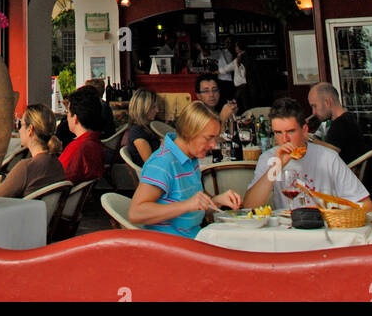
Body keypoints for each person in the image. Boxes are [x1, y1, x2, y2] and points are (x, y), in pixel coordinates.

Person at [128, 101, 242, 238]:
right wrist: (187, 205)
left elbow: (193, 209)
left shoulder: (190, 158)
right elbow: (136, 213)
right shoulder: (164, 162)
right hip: (170, 247)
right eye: (209, 138)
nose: (213, 145)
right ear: (189, 133)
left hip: (194, 238)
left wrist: (218, 201)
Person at [242, 97, 372, 214]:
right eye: (278, 133)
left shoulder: (328, 157)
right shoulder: (269, 158)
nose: (284, 139)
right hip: (288, 233)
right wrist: (276, 167)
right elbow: (249, 206)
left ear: (305, 130)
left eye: (291, 131)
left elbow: (367, 207)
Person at [0, 104, 66, 197]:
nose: (19, 130)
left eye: (21, 124)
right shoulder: (57, 163)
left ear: (30, 129)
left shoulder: (26, 168)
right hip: (43, 211)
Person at [306, 82, 367, 165]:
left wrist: (308, 139)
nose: (313, 112)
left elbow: (331, 153)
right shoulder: (349, 118)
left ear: (328, 102)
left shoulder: (340, 124)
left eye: (315, 106)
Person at [59, 87, 105, 184]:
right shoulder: (95, 142)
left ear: (75, 118)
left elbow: (59, 178)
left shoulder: (77, 149)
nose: (67, 116)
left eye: (68, 112)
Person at [121, 88, 162, 165]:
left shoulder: (147, 127)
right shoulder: (137, 132)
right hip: (151, 175)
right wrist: (163, 145)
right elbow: (152, 164)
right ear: (142, 108)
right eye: (153, 107)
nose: (157, 110)